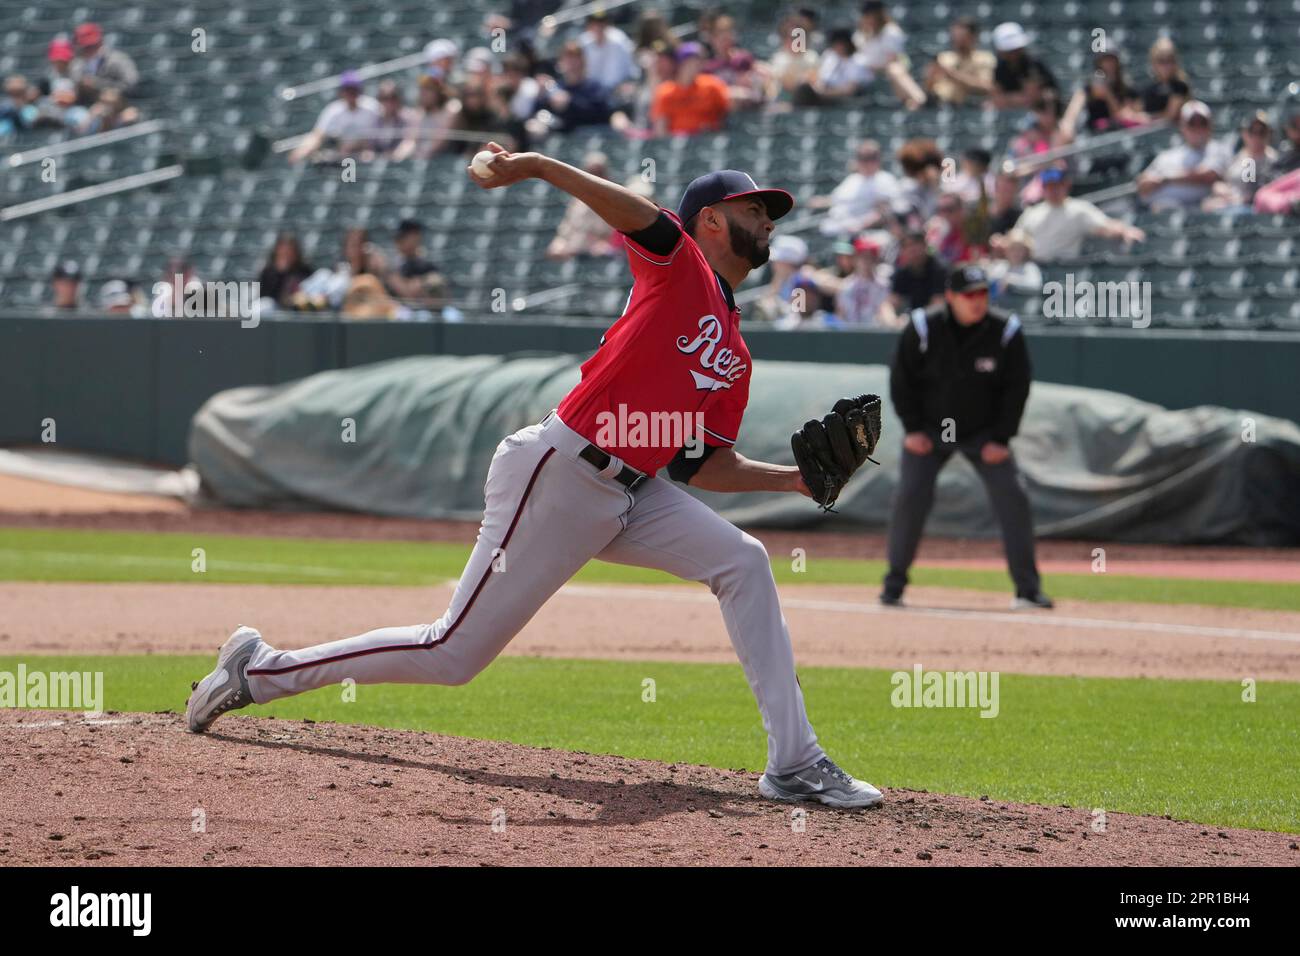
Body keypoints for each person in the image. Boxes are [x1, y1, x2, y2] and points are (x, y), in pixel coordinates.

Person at [186, 150, 887, 811]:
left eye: (771, 214)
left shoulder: (734, 352)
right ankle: (261, 669)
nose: (767, 221)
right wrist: (536, 166)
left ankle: (794, 762)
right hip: (561, 473)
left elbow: (697, 464)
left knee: (744, 560)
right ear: (709, 219)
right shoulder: (679, 267)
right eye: (754, 209)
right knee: (453, 652)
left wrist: (793, 480)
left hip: (637, 492)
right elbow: (635, 213)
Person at [882, 265, 1052, 610]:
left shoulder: (1006, 331)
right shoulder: (922, 327)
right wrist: (912, 429)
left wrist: (1002, 438)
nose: (978, 301)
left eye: (983, 294)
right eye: (969, 295)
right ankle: (893, 586)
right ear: (951, 297)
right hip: (928, 431)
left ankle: (1028, 590)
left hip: (984, 433)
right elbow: (901, 381)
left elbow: (1016, 388)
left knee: (1013, 498)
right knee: (911, 496)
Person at [1005, 166, 1144, 262]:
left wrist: (1126, 230)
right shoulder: (1032, 212)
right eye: (1049, 186)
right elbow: (1015, 238)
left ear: (1065, 185)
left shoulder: (1078, 209)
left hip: (1063, 269)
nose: (1053, 190)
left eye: (1057, 185)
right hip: (1034, 266)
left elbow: (1105, 226)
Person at [1137, 100, 1232, 211]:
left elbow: (1208, 176)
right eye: (1192, 124)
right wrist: (1147, 183)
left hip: (1197, 211)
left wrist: (1165, 179)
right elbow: (1143, 185)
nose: (1198, 128)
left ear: (1210, 125)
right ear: (1182, 126)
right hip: (1159, 211)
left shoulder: (1218, 149)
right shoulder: (1167, 155)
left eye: (1202, 123)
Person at [289, 71, 380, 163]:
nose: (351, 94)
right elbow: (318, 135)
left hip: (366, 153)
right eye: (348, 90)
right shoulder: (333, 111)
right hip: (341, 155)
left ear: (359, 91)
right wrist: (302, 151)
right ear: (342, 92)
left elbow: (385, 132)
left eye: (354, 90)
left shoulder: (372, 107)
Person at [812, 139, 899, 236]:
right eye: (862, 158)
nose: (867, 162)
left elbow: (884, 212)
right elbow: (834, 200)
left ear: (878, 159)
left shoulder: (884, 180)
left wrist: (860, 225)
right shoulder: (853, 179)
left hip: (859, 233)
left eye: (871, 157)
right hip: (834, 226)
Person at [547, 152, 620, 259]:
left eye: (598, 172)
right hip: (574, 247)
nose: (594, 176)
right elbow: (567, 228)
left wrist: (606, 243)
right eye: (591, 172)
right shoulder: (577, 200)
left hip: (596, 250)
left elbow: (616, 233)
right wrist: (560, 242)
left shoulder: (613, 200)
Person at [650, 42, 730, 136]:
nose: (694, 66)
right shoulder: (665, 91)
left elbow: (729, 106)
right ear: (680, 64)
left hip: (708, 141)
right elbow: (660, 129)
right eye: (689, 62)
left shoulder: (712, 85)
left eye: (698, 62)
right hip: (677, 144)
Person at [925, 16, 995, 105]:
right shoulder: (943, 58)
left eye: (962, 36)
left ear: (973, 37)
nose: (958, 39)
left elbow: (986, 86)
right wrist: (931, 75)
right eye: (955, 35)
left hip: (967, 107)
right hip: (939, 105)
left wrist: (951, 74)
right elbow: (928, 88)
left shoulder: (984, 58)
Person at [991, 22, 1057, 109]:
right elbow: (997, 98)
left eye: (1016, 49)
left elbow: (1052, 92)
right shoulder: (998, 68)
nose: (1014, 53)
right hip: (1007, 114)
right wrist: (1018, 98)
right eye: (1010, 51)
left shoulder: (1034, 64)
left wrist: (1040, 97)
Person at [835, 236, 897, 327]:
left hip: (875, 334)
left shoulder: (884, 286)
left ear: (875, 260)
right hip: (850, 334)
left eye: (869, 257)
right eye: (861, 257)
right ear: (855, 259)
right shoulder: (845, 286)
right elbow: (840, 315)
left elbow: (887, 313)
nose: (865, 261)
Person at [69, 22, 138, 99]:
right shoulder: (78, 63)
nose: (88, 50)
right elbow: (72, 83)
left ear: (100, 42)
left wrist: (97, 83)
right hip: (85, 104)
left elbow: (130, 85)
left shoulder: (118, 59)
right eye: (84, 48)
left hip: (118, 105)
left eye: (91, 46)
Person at [888, 230, 947, 312]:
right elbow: (892, 302)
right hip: (911, 318)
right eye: (907, 246)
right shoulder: (901, 273)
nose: (912, 250)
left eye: (916, 244)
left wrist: (914, 320)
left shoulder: (940, 269)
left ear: (925, 245)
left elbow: (938, 304)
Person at [1138, 38, 1191, 123]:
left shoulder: (1180, 87)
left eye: (1170, 60)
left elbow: (1169, 117)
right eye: (1161, 61)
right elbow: (1138, 111)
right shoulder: (1148, 89)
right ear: (1153, 63)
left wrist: (1147, 117)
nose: (1166, 65)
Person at [258, 233, 313, 309]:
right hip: (275, 307)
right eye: (283, 250)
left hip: (297, 308)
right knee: (265, 304)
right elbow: (264, 295)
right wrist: (280, 273)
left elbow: (308, 291)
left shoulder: (304, 270)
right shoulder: (269, 271)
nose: (286, 253)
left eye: (290, 250)